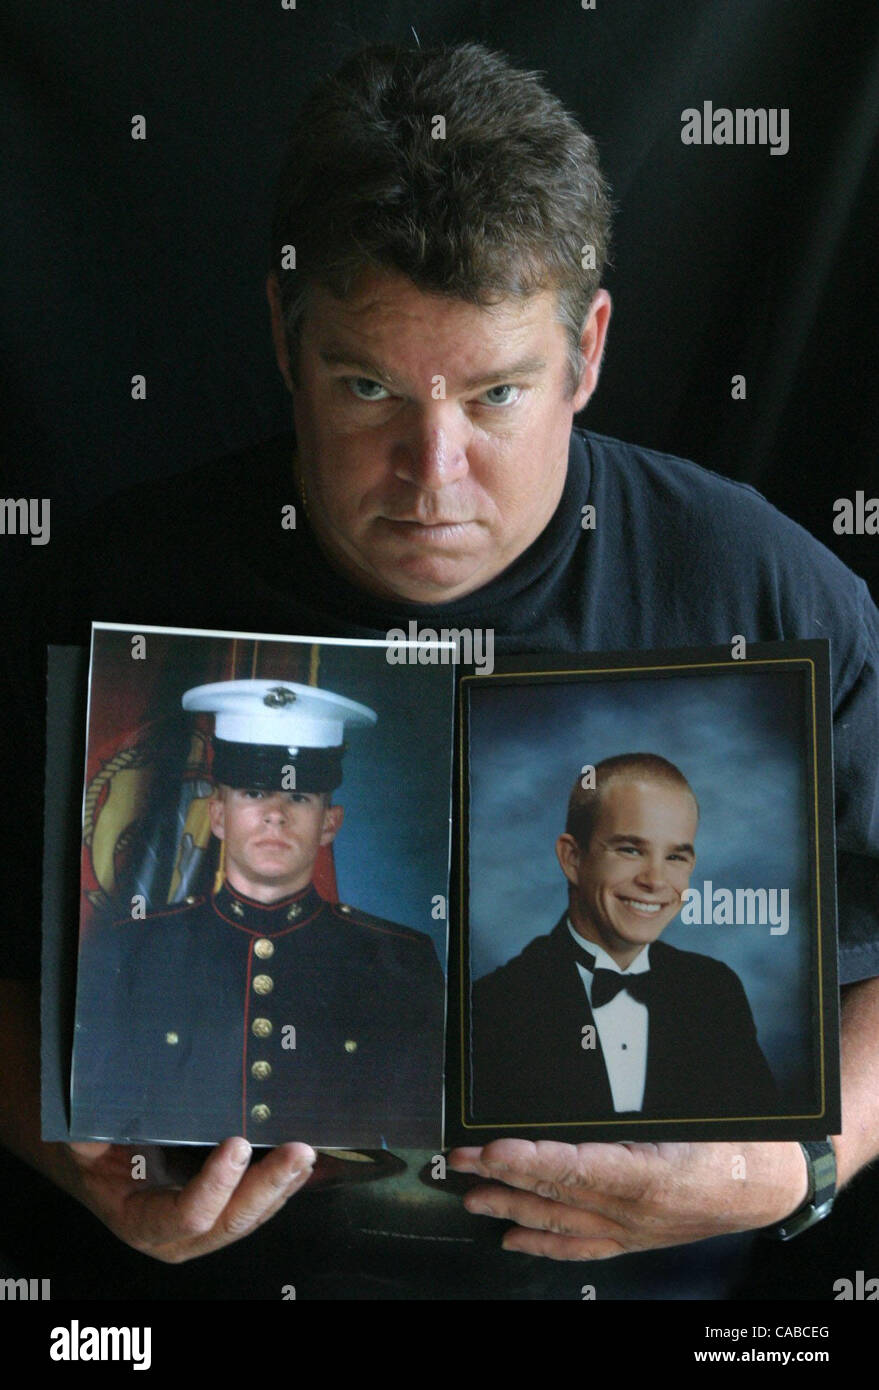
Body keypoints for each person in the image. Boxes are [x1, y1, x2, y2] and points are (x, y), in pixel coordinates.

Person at [1, 39, 878, 1291]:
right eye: (367, 387)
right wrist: (66, 1152)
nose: (432, 477)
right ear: (282, 333)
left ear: (587, 353)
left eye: (497, 395)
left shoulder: (765, 587)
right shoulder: (106, 587)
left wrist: (799, 1167)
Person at [71, 679, 444, 1149]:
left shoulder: (397, 962)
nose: (275, 815)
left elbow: (422, 1147)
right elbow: (94, 1136)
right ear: (219, 815)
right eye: (253, 793)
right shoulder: (130, 949)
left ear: (330, 823)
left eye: (299, 797)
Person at [471, 754, 778, 1126]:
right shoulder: (493, 1007)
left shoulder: (715, 992)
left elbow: (761, 1146)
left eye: (676, 857)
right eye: (631, 850)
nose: (655, 880)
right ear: (572, 859)